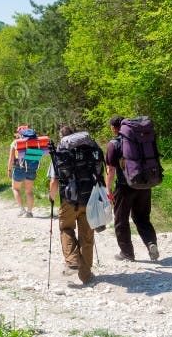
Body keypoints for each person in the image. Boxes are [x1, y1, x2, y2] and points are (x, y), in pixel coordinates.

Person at [105, 116, 159, 261]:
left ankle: (127, 253)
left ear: (114, 128)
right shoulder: (140, 141)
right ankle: (151, 243)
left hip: (124, 187)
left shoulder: (114, 144)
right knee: (142, 218)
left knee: (121, 220)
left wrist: (108, 190)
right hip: (144, 184)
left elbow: (110, 170)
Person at [48, 125, 95, 284]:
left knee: (66, 228)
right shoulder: (89, 151)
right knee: (87, 237)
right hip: (89, 198)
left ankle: (73, 262)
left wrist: (52, 197)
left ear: (62, 138)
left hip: (68, 199)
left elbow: (54, 181)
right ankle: (86, 276)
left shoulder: (61, 153)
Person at [8, 125, 42, 218]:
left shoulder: (15, 142)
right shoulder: (35, 142)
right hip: (32, 169)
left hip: (19, 168)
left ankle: (22, 209)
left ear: (20, 133)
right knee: (29, 191)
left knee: (15, 188)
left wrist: (9, 169)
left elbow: (11, 158)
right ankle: (29, 212)